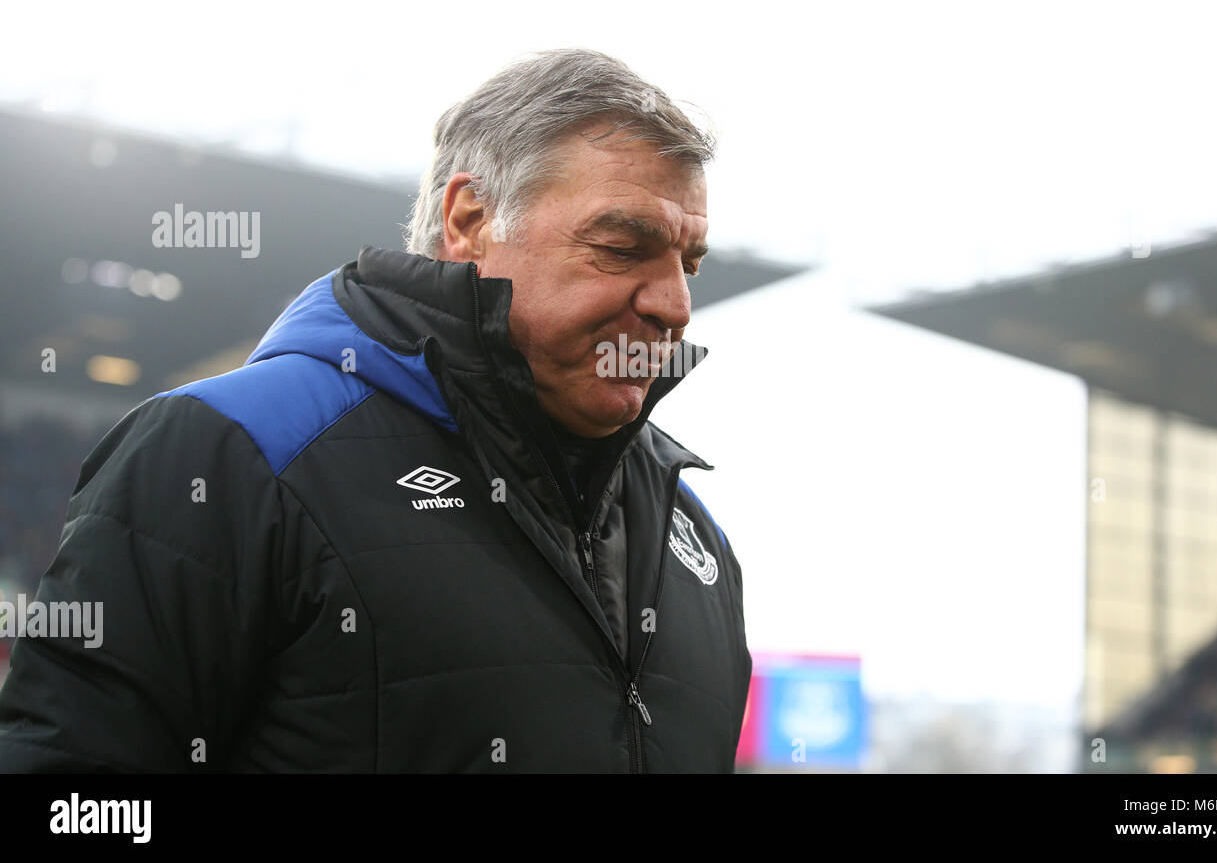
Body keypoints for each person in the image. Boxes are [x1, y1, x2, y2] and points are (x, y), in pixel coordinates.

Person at [0, 49, 752, 772]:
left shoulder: (696, 542)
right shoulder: (227, 453)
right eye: (621, 246)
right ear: (469, 219)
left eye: (688, 265)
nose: (676, 305)